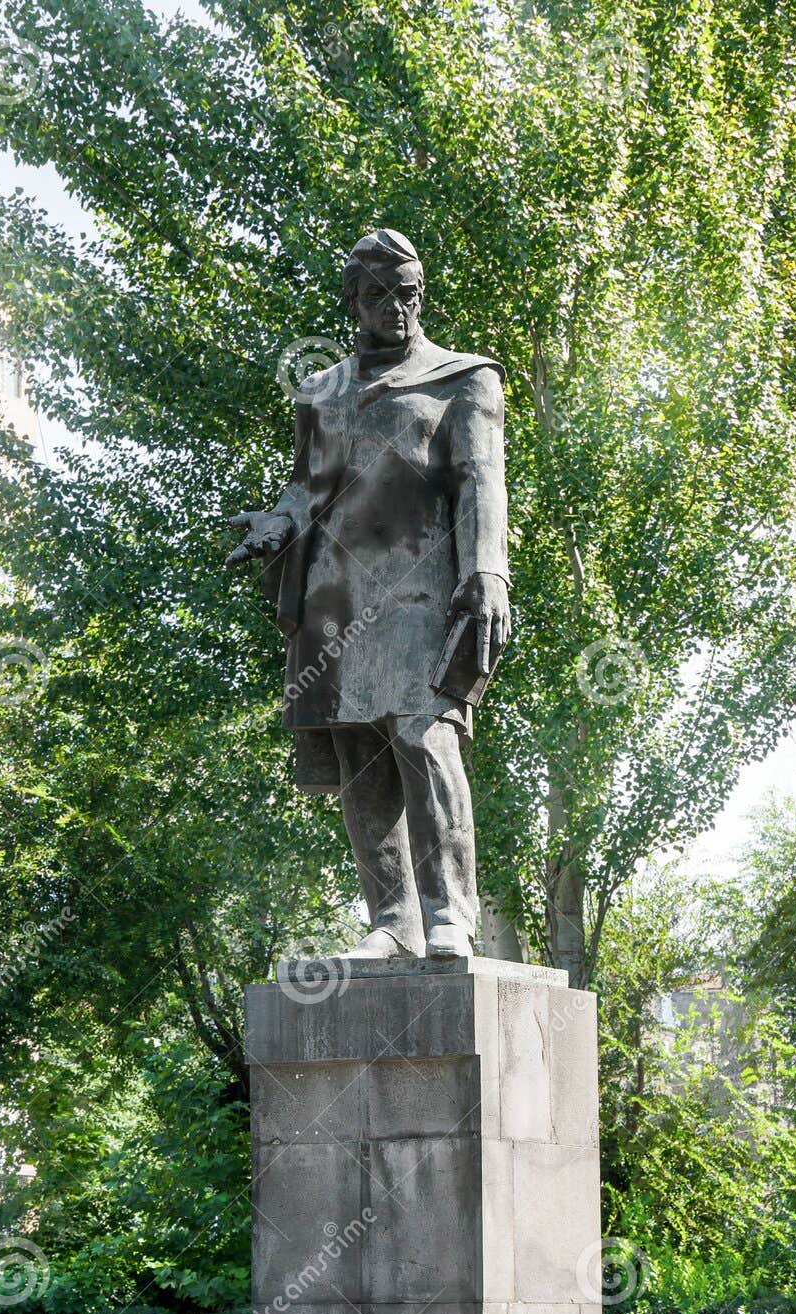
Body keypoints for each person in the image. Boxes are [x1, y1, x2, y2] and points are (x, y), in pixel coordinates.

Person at [227, 229, 511, 960]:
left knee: (425, 735)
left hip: (424, 588)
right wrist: (271, 526)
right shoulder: (320, 393)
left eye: (409, 293)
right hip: (336, 593)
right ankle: (394, 920)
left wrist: (487, 572)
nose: (398, 308)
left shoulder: (462, 378)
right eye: (380, 295)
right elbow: (306, 488)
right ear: (352, 301)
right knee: (359, 752)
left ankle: (451, 913)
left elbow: (480, 479)